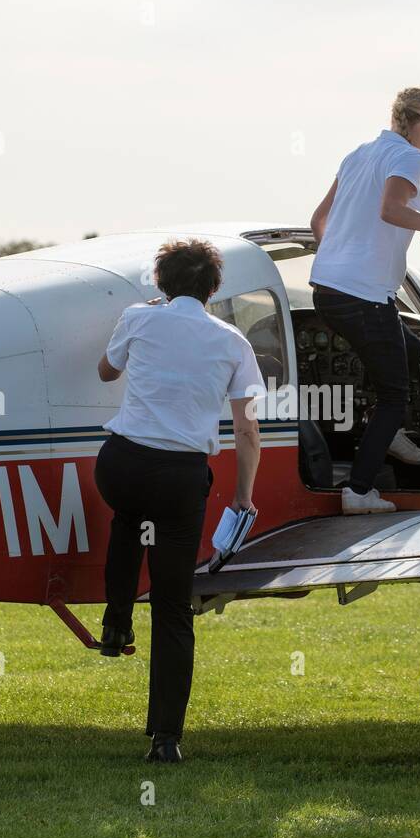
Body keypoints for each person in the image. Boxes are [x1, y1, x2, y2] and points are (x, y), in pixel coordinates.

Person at [95, 238, 263, 763]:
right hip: (179, 476)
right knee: (172, 607)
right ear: (214, 288)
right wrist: (242, 496)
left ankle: (116, 620)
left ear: (162, 284)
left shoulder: (138, 319)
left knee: (127, 519)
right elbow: (247, 429)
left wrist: (141, 320)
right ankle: (165, 738)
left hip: (119, 462)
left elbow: (106, 372)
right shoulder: (233, 341)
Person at [309, 87, 420, 514]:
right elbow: (392, 209)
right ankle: (358, 491)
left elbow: (318, 220)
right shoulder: (409, 156)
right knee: (396, 398)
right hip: (365, 296)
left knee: (411, 348)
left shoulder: (358, 153)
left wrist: (338, 257)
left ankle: (384, 429)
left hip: (328, 291)